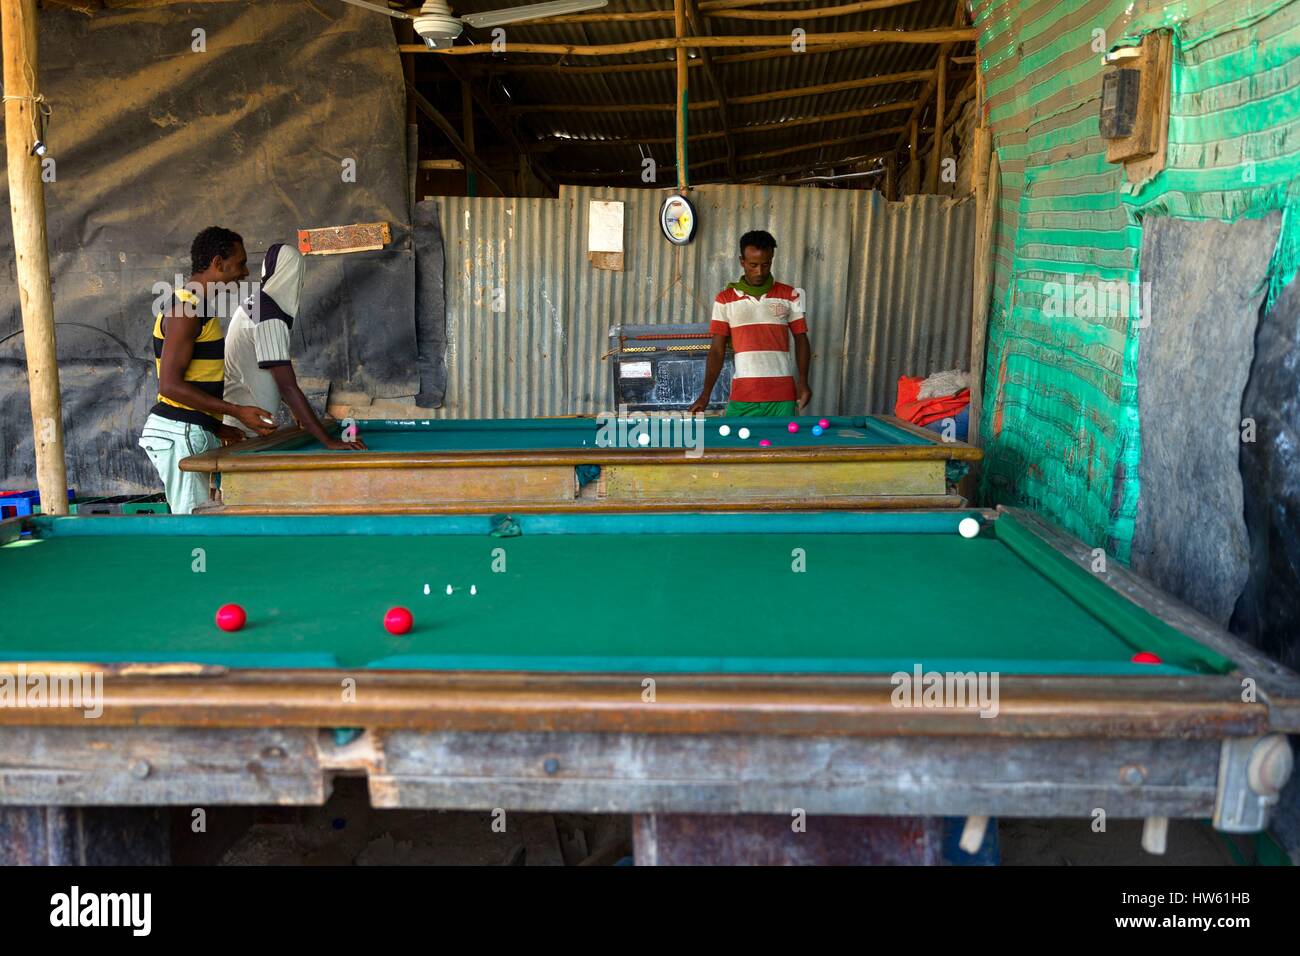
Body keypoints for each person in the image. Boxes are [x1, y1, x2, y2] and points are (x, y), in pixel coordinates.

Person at [139, 226, 277, 514]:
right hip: (181, 431)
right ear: (217, 263)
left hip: (189, 428)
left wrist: (216, 424)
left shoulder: (196, 307)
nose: (244, 272)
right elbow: (170, 386)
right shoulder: (186, 310)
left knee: (202, 520)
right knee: (194, 525)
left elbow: (191, 382)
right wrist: (237, 411)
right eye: (239, 263)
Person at [223, 242, 365, 450]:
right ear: (292, 274)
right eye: (299, 275)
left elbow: (273, 374)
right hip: (245, 431)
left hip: (245, 426)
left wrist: (299, 412)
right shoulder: (268, 316)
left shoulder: (256, 304)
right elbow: (288, 386)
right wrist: (328, 440)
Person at [689, 230, 811, 416]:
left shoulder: (791, 295)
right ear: (742, 261)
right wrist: (706, 395)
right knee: (732, 446)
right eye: (753, 265)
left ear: (772, 259)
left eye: (766, 264)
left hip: (782, 397)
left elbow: (801, 339)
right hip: (743, 396)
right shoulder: (725, 300)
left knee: (783, 445)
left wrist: (803, 381)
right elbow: (717, 350)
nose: (759, 271)